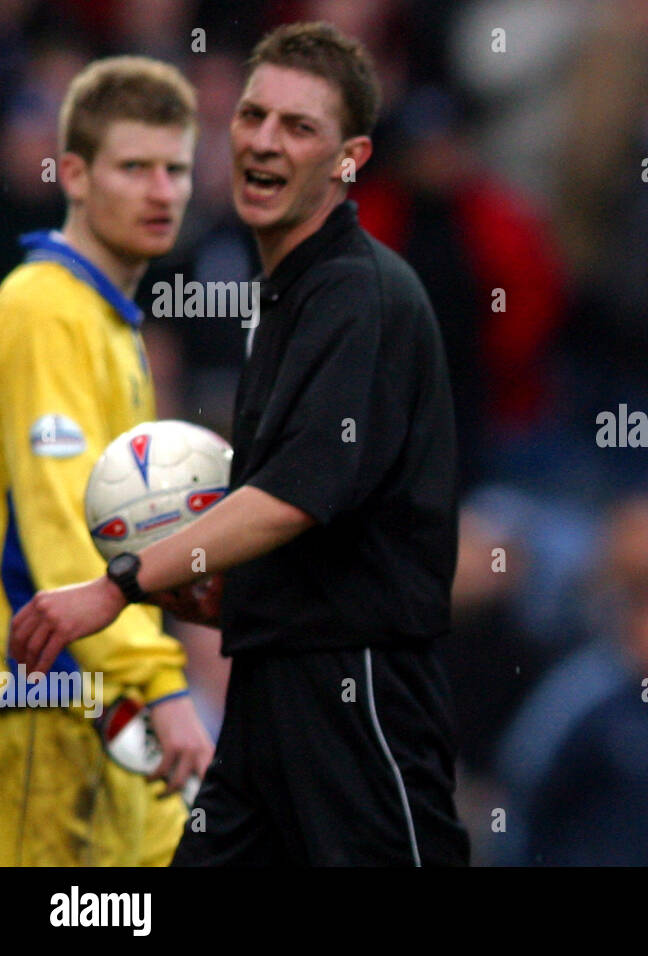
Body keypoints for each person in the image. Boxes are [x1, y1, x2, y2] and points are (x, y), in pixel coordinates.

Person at [10, 21, 470, 866]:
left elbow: (297, 494)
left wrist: (119, 585)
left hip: (355, 693)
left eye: (298, 127)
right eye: (253, 116)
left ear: (349, 159)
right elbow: (313, 517)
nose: (263, 139)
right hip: (270, 688)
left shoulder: (356, 293)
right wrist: (230, 592)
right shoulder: (291, 295)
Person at [0, 56, 213, 865]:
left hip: (100, 696)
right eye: (135, 167)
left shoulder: (108, 317)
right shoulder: (42, 307)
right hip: (42, 697)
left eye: (176, 169)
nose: (162, 190)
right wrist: (160, 682)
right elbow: (62, 523)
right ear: (77, 174)